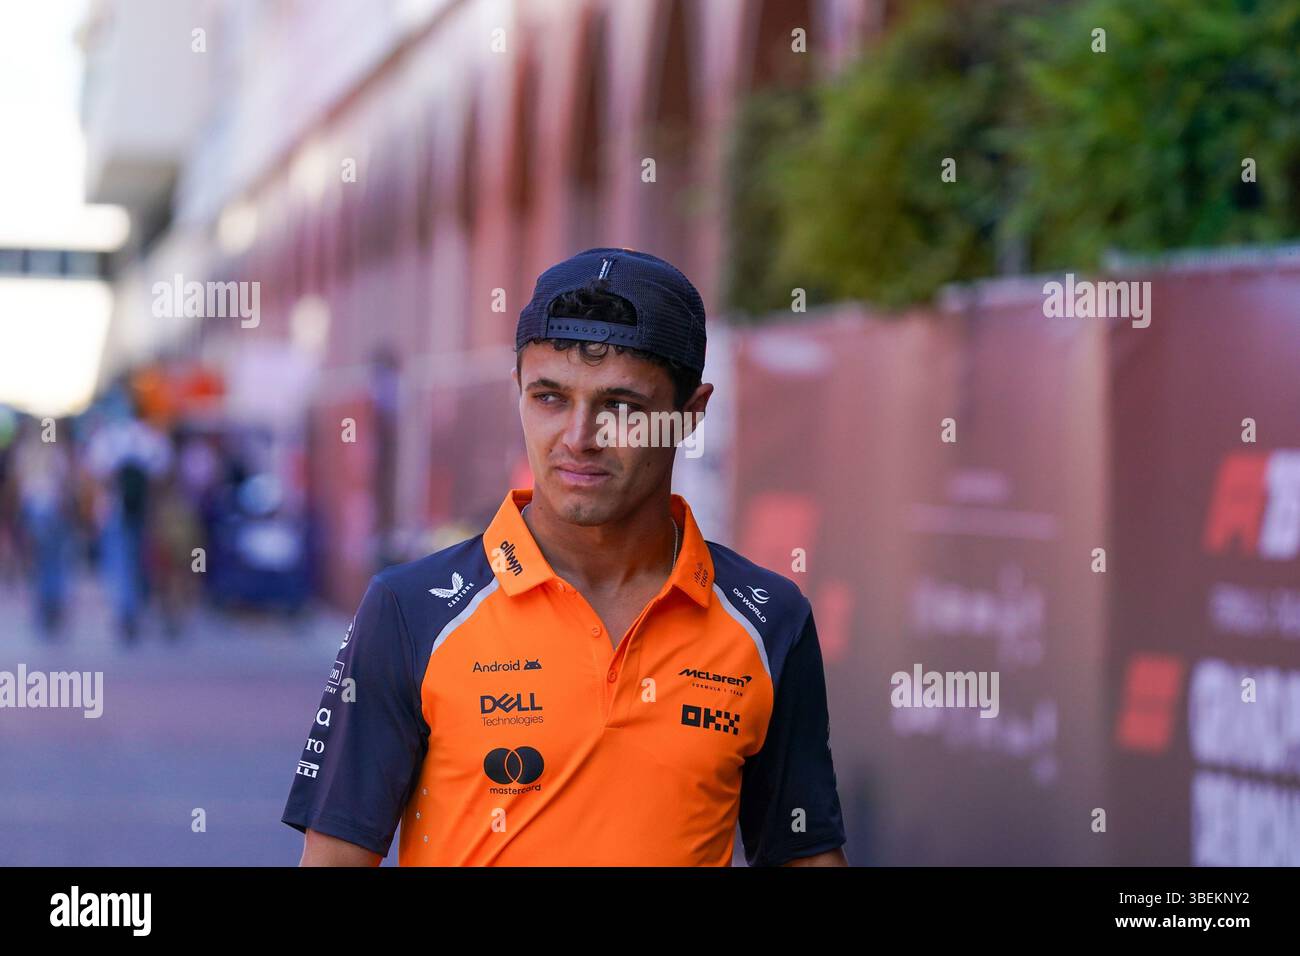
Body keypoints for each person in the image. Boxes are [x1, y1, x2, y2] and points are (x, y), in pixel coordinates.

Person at [282, 248, 847, 867]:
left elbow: (807, 855)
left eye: (622, 407)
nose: (579, 438)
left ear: (691, 415)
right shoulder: (409, 609)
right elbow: (335, 859)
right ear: (519, 393)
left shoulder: (769, 619)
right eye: (550, 397)